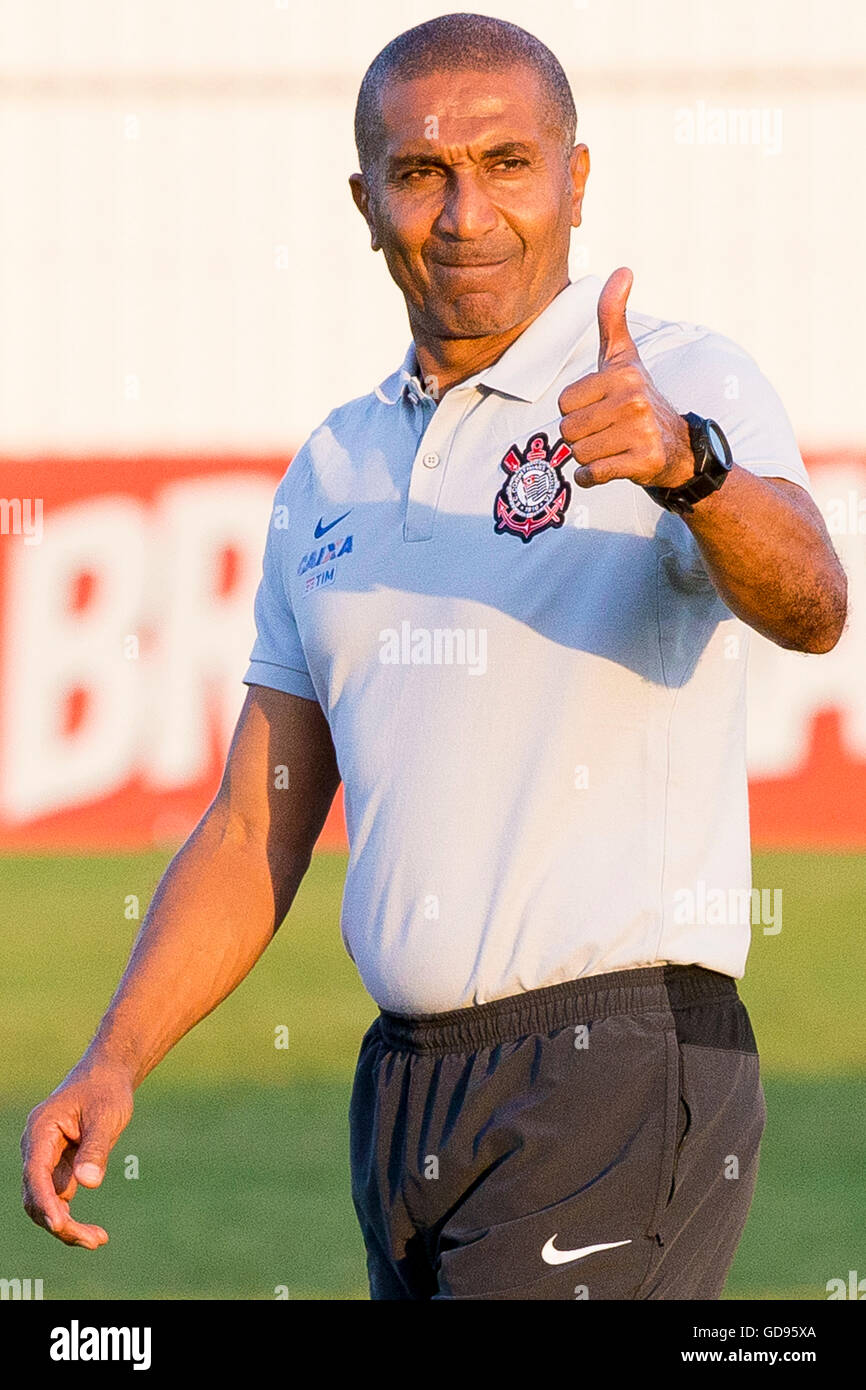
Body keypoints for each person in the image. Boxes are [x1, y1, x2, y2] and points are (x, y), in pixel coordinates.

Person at [21, 13, 846, 1300]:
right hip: (403, 1087)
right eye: (422, 172)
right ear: (365, 200)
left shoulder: (672, 382)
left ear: (576, 178)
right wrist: (113, 1058)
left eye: (508, 163)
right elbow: (255, 827)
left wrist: (693, 468)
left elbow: (811, 604)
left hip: (613, 1065)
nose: (467, 212)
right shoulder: (333, 466)